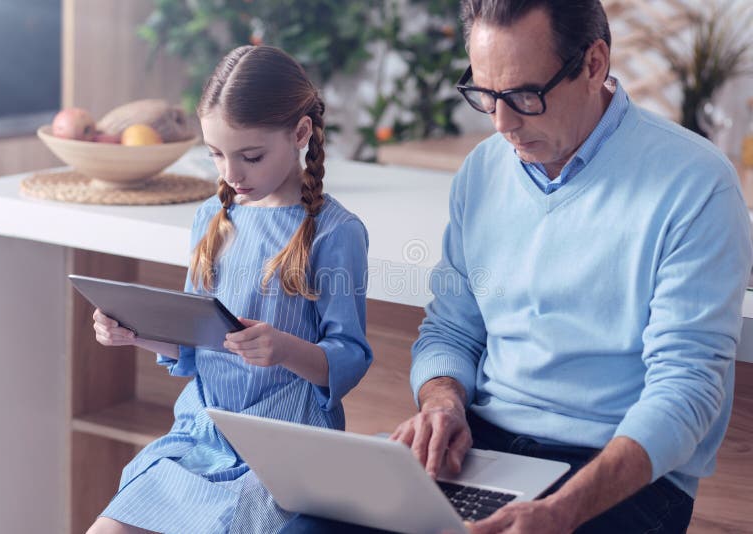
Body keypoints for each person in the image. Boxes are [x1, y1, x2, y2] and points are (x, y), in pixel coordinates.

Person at [281, 1, 752, 533]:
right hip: (487, 444)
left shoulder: (696, 184)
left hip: (621, 473)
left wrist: (561, 511)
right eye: (486, 95)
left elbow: (687, 390)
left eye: (525, 96)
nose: (502, 124)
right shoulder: (484, 170)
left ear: (594, 64)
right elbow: (451, 330)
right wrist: (444, 402)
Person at [86, 45, 373, 534]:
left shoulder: (334, 231)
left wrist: (282, 348)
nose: (231, 174)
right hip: (204, 431)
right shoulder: (211, 219)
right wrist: (135, 334)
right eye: (216, 154)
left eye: (250, 156)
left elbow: (348, 357)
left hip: (287, 444)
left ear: (300, 133)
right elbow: (198, 342)